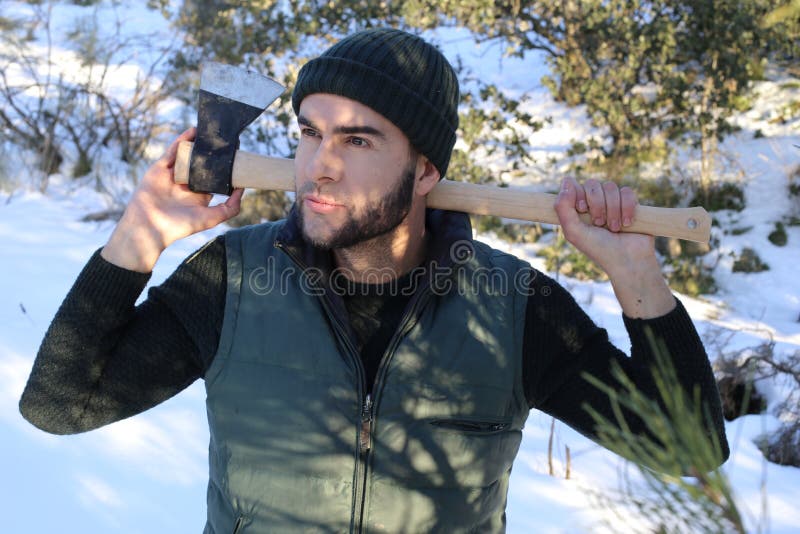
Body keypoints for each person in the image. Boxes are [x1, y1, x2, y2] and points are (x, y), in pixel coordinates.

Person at [19, 28, 728, 532]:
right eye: (309, 132)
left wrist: (637, 274)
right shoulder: (232, 281)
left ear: (425, 172)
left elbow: (687, 449)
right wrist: (137, 236)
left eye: (357, 140)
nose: (318, 166)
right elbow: (60, 406)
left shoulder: (511, 308)